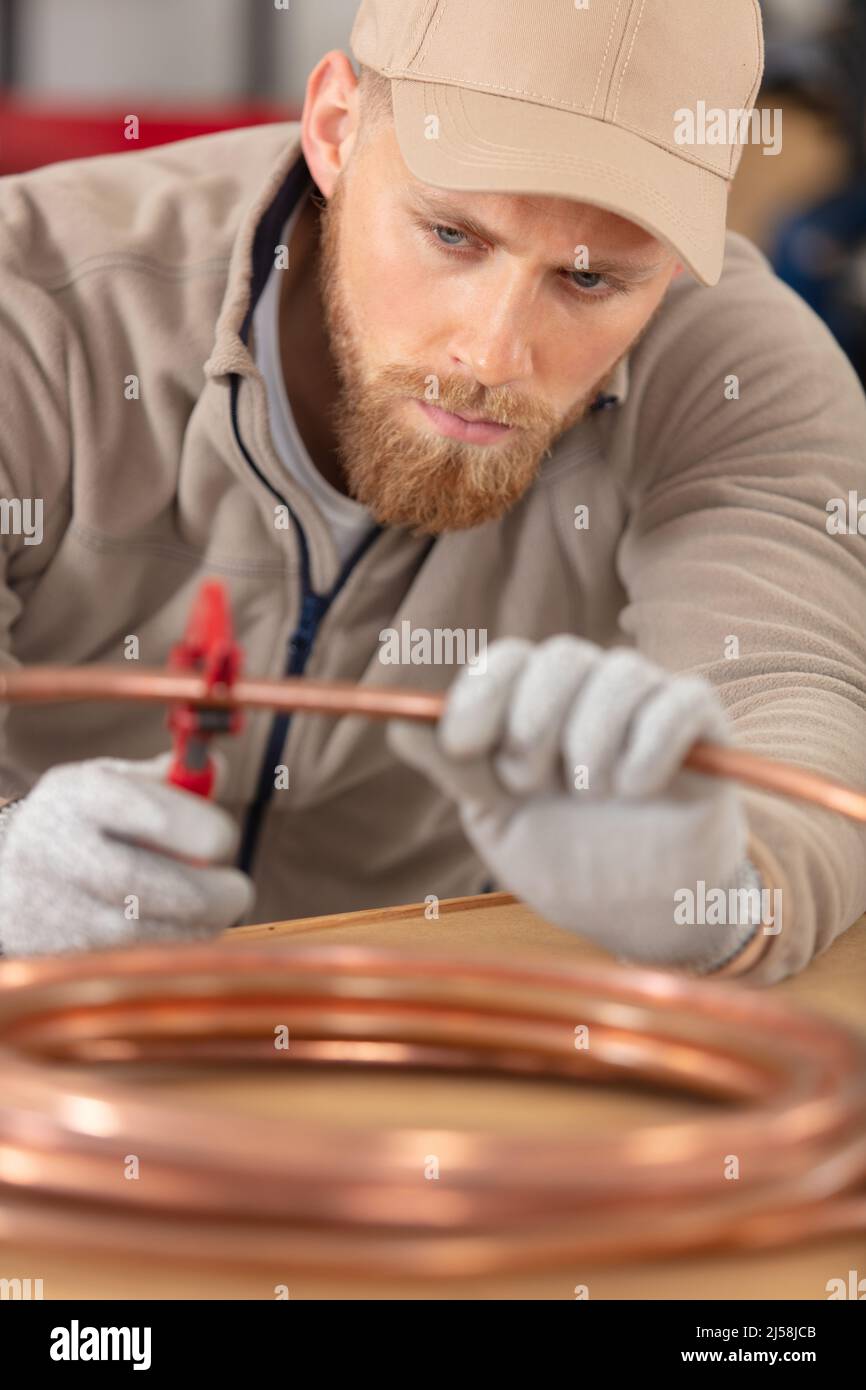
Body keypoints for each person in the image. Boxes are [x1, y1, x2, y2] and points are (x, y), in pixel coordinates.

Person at [0, 0, 863, 985]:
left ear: (674, 261)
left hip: (439, 1046)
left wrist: (712, 891)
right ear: (333, 129)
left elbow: (799, 714)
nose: (491, 354)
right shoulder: (30, 302)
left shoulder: (743, 378)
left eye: (589, 282)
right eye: (451, 234)